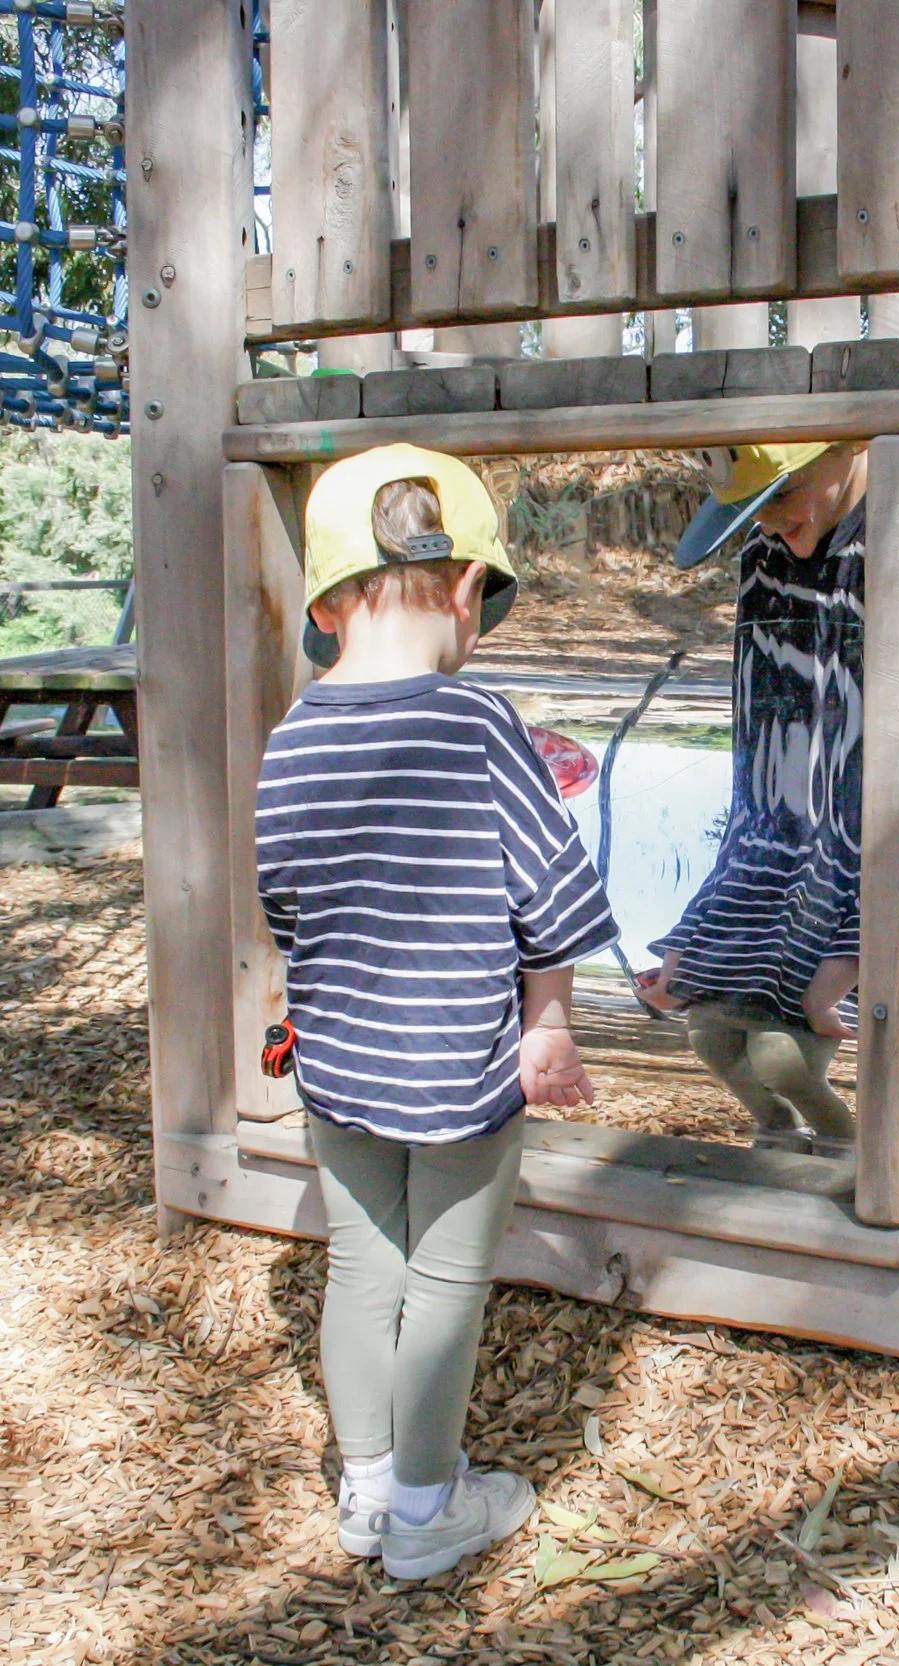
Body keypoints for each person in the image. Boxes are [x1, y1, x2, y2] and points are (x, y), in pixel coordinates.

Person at [256, 443, 619, 1581]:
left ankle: (364, 1488)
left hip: (341, 1067)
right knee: (447, 1282)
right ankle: (425, 1511)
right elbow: (551, 894)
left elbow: (284, 901)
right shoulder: (475, 724)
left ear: (324, 604)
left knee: (361, 1272)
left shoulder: (293, 735)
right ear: (468, 589)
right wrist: (547, 1020)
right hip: (459, 1072)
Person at [635, 442, 866, 1158]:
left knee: (783, 1059)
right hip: (772, 851)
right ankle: (778, 1147)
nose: (767, 524)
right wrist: (699, 932)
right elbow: (763, 782)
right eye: (751, 511)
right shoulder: (766, 559)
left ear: (847, 447)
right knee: (712, 1037)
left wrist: (857, 940)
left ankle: (853, 1162)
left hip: (852, 861)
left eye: (780, 495)